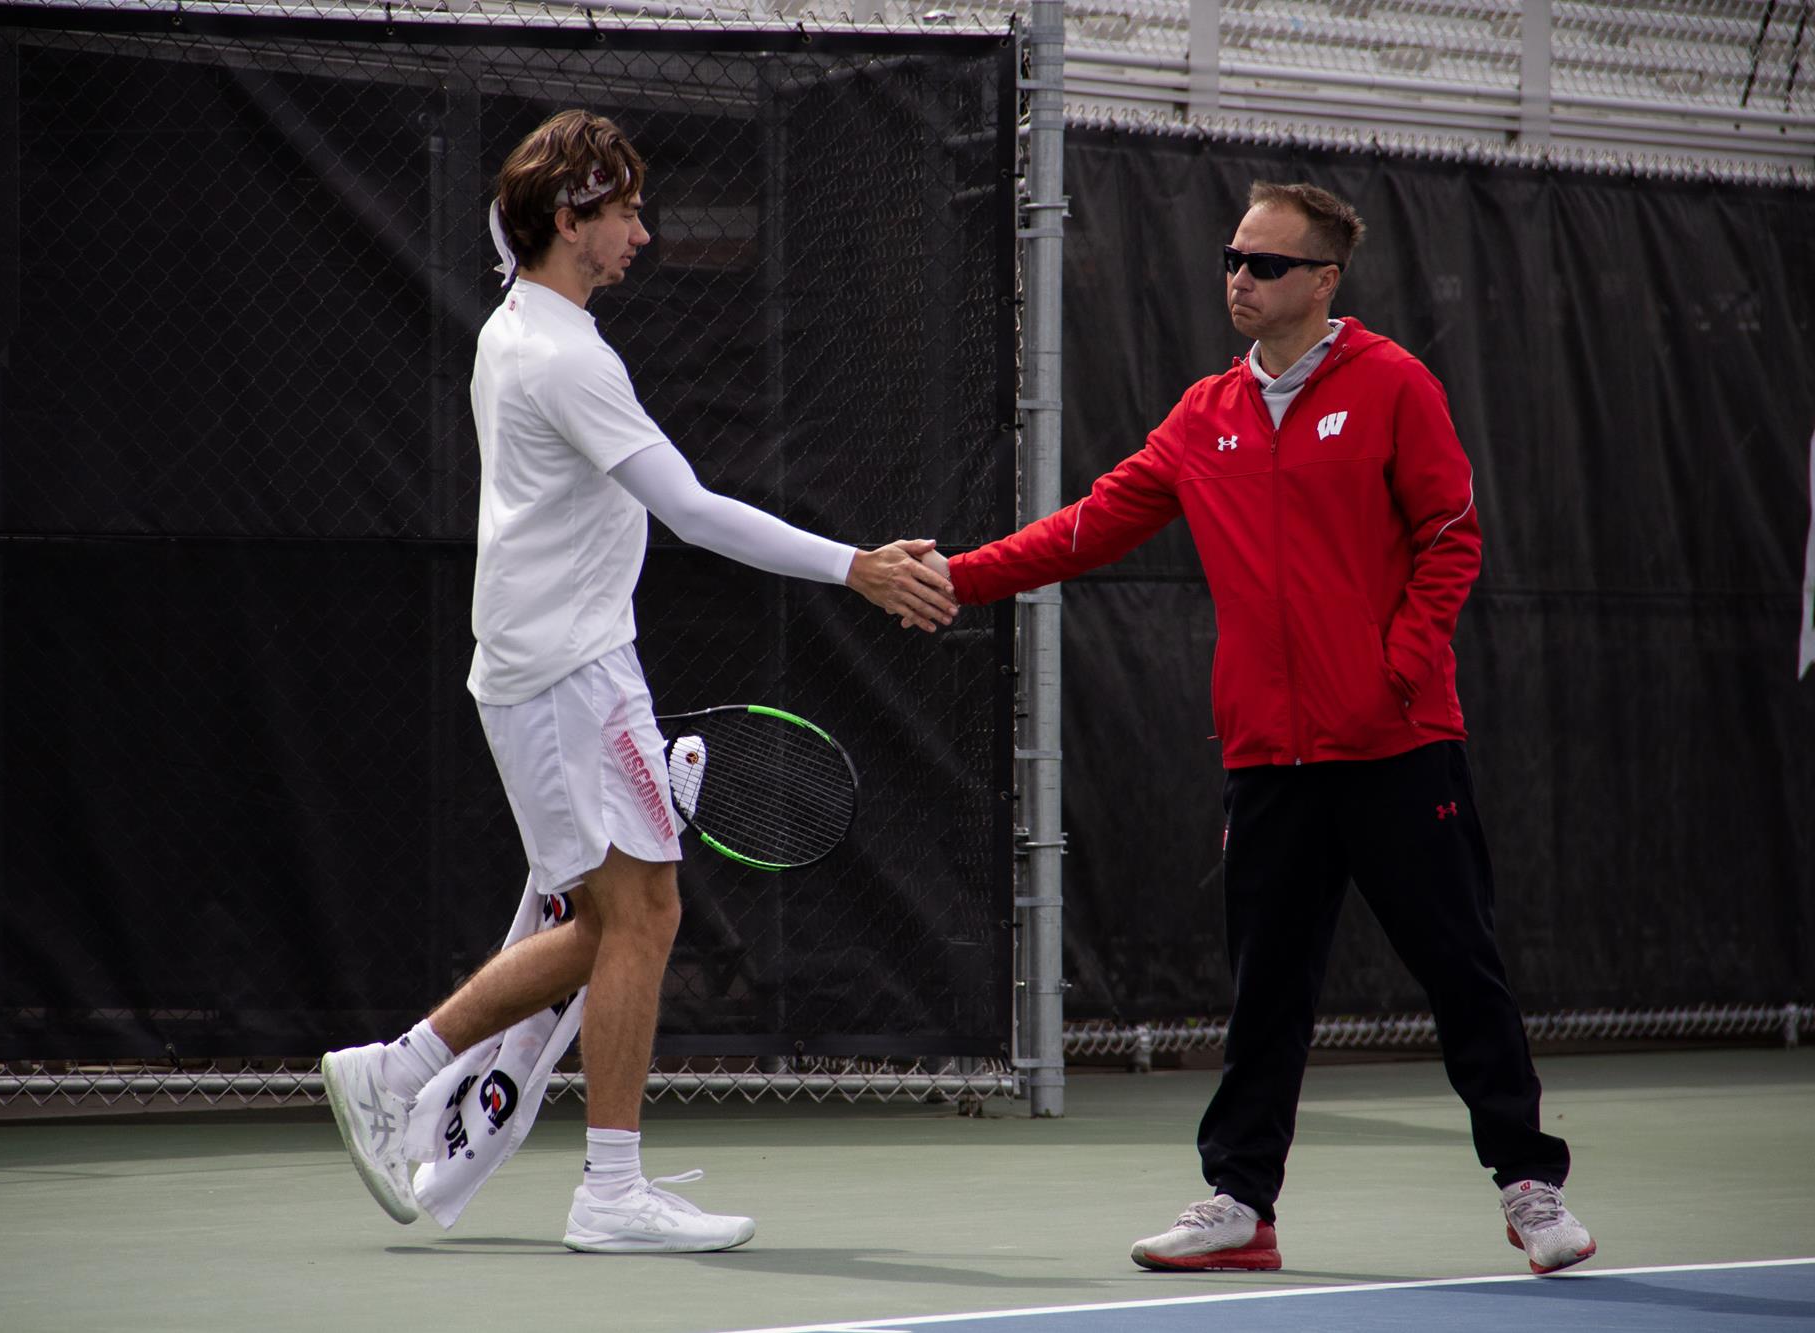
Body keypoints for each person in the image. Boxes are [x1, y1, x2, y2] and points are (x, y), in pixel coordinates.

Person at [921, 182, 1596, 1276]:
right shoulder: (1203, 415)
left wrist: (1395, 669)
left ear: (1322, 282)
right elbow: (1088, 524)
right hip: (1265, 760)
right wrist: (954, 577)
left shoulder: (1391, 386)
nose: (1239, 276)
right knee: (1266, 990)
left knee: (1457, 967)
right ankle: (1240, 1204)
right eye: (1232, 258)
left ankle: (1528, 1185)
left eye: (1265, 263)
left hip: (1395, 745)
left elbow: (1450, 536)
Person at [320, 109, 957, 1254]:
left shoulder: (515, 326)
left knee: (617, 917)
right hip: (568, 672)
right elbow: (694, 510)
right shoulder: (566, 355)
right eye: (622, 214)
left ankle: (398, 1071)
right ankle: (600, 1186)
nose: (643, 235)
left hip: (543, 663)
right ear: (571, 221)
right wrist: (851, 567)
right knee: (643, 911)